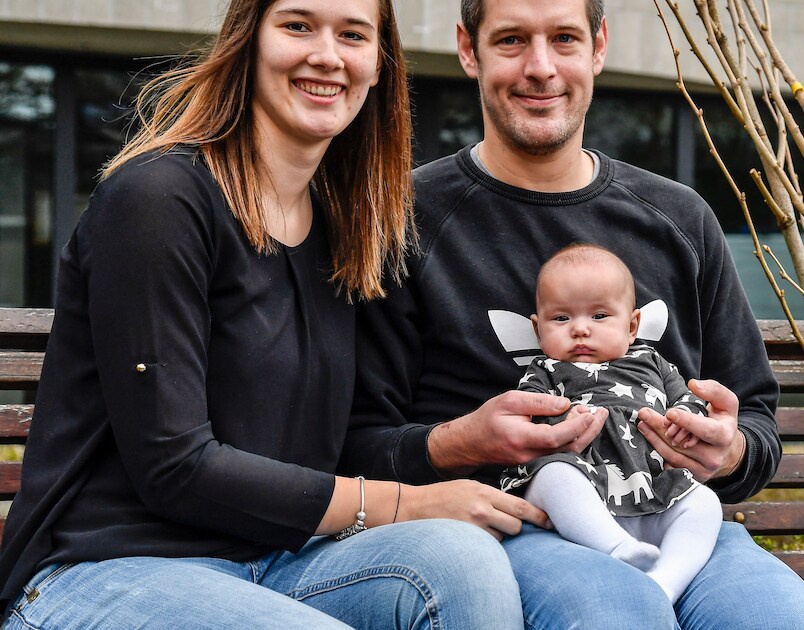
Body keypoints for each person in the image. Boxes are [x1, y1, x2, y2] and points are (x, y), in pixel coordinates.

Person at [0, 1, 532, 628]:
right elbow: (173, 467)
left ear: (379, 66)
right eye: (298, 25)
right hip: (101, 570)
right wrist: (404, 503)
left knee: (463, 561)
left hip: (272, 564)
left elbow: (346, 446)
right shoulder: (157, 202)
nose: (327, 56)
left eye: (353, 35)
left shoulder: (347, 233)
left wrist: (464, 441)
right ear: (248, 43)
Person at [351, 0, 804, 626]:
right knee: (619, 614)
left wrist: (729, 451)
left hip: (678, 521)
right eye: (510, 41)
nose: (541, 67)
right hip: (515, 528)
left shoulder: (679, 220)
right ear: (468, 51)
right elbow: (356, 446)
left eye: (563, 38)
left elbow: (758, 426)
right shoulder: (401, 222)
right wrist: (462, 442)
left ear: (598, 46)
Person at [501, 243, 722, 604]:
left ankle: (666, 583)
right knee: (553, 475)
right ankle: (617, 548)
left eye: (599, 316)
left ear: (632, 325)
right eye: (562, 319)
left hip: (651, 487)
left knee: (704, 504)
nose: (580, 330)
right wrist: (553, 424)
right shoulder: (544, 370)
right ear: (538, 330)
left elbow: (688, 400)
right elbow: (521, 418)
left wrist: (685, 423)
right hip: (579, 494)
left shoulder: (653, 363)